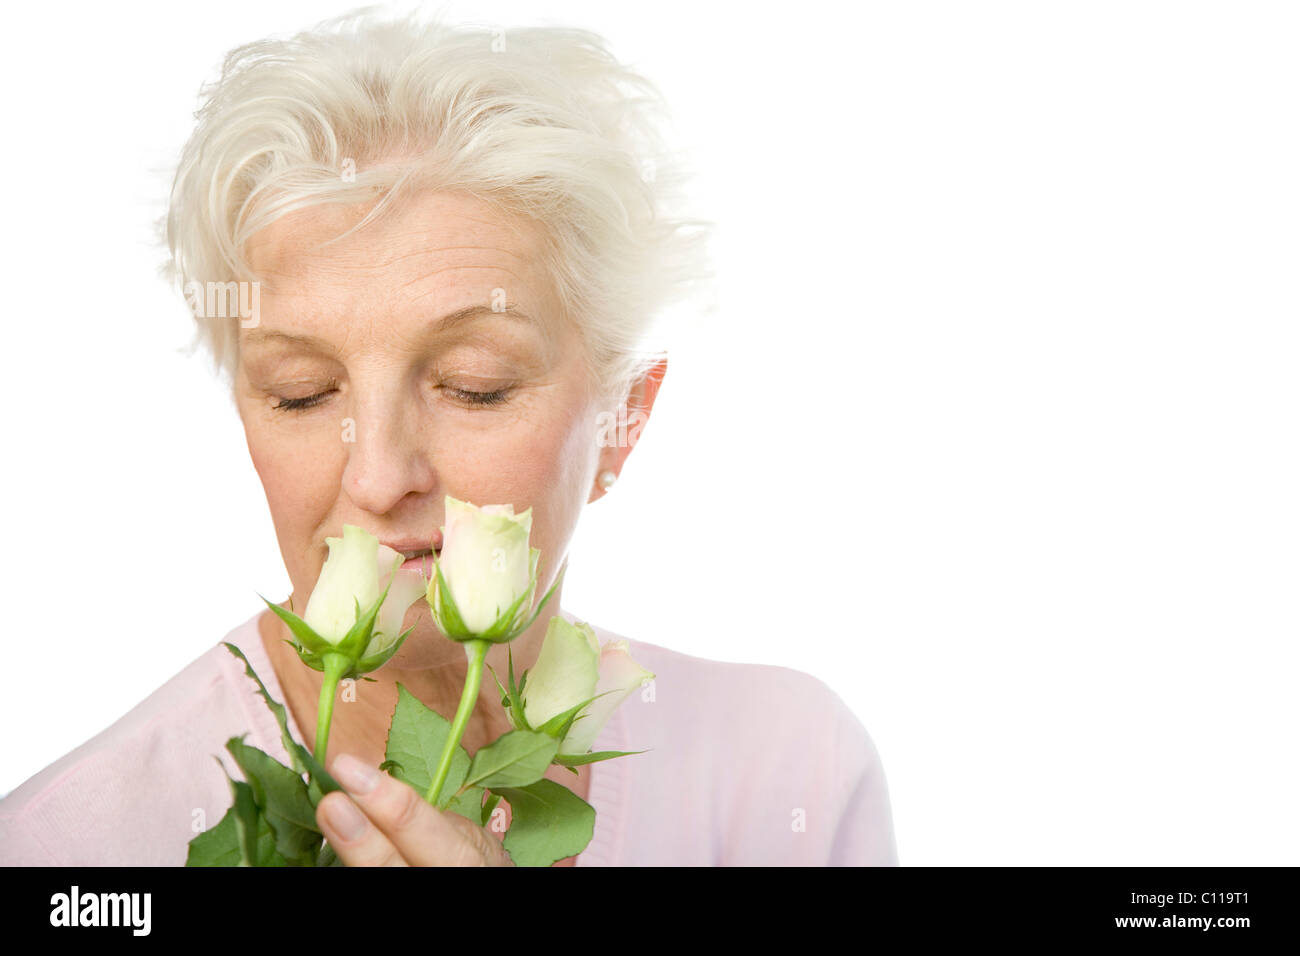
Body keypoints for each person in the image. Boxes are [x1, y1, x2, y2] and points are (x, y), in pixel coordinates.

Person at [0, 10, 898, 866]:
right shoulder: (71, 849)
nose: (380, 475)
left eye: (476, 386)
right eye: (301, 394)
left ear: (624, 418)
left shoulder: (792, 775)